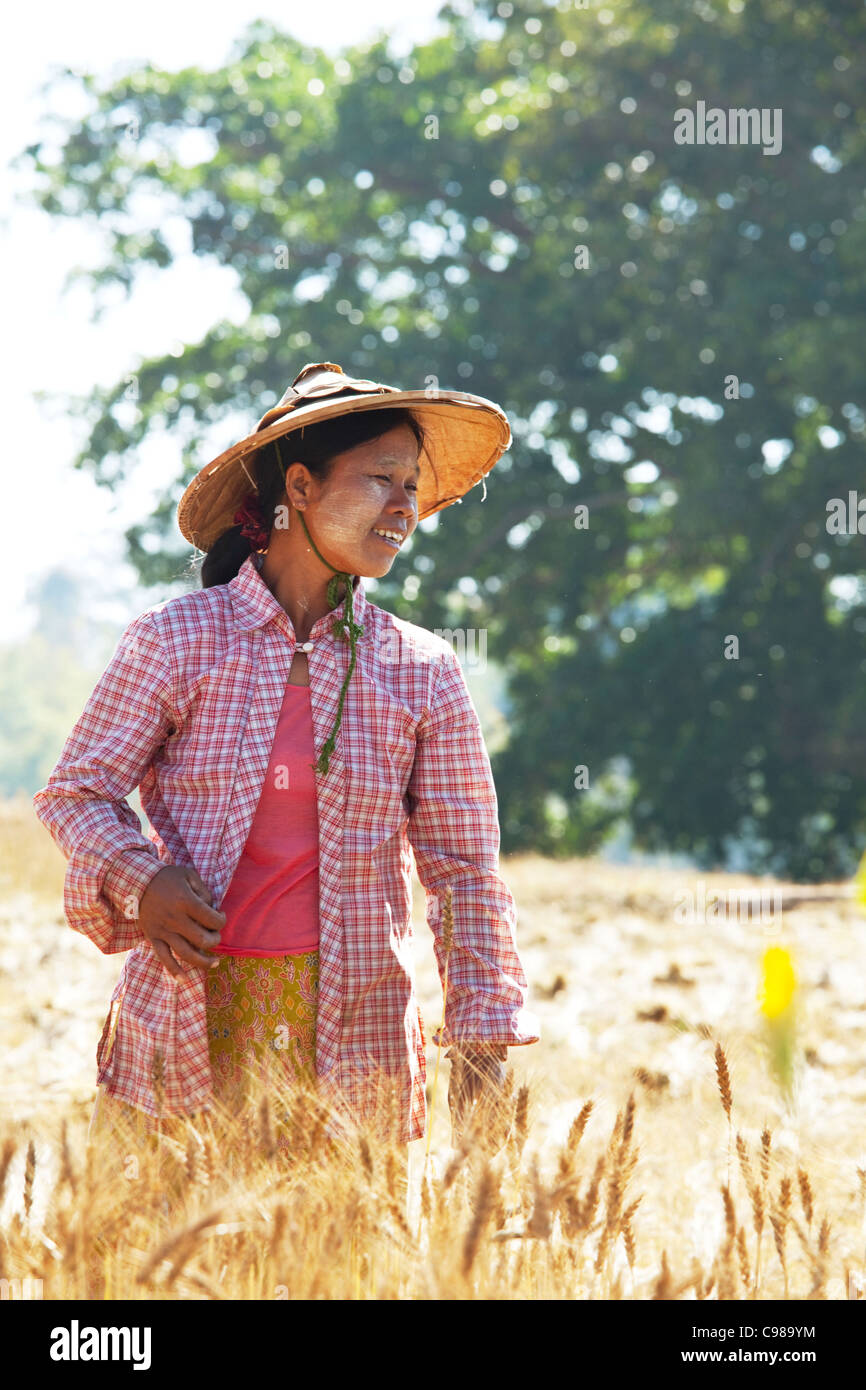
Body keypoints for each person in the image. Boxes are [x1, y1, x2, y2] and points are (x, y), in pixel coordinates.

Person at [33, 361, 540, 1174]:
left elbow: (466, 872)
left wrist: (482, 1046)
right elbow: (77, 793)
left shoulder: (422, 671)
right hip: (183, 1024)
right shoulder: (176, 641)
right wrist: (142, 881)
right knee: (154, 1241)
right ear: (299, 487)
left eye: (412, 486)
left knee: (338, 1250)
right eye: (381, 478)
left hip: (359, 1041)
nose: (405, 506)